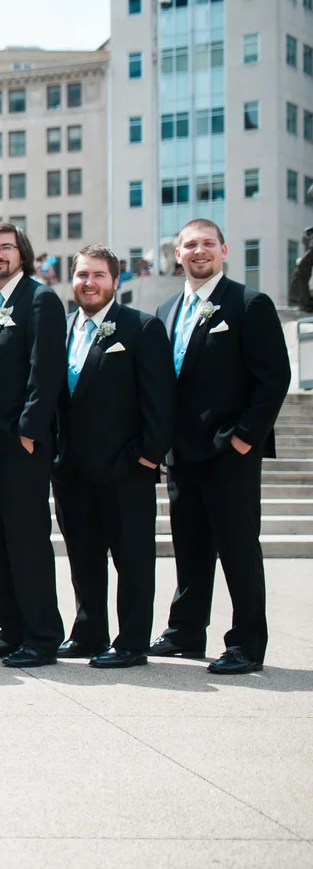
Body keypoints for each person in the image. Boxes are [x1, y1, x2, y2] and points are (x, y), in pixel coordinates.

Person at [150, 219, 291, 674]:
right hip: (181, 455)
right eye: (189, 245)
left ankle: (247, 643)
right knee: (189, 548)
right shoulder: (167, 310)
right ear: (177, 254)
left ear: (224, 250)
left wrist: (246, 439)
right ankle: (186, 631)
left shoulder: (249, 304)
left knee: (238, 550)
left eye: (208, 244)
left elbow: (274, 378)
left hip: (230, 454)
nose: (199, 251)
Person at [52, 245, 174, 669]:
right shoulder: (62, 329)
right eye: (82, 274)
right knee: (84, 558)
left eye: (98, 275)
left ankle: (131, 642)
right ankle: (88, 632)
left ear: (115, 281)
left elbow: (161, 401)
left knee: (133, 561)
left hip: (126, 471)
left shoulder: (141, 328)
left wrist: (146, 457)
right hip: (70, 471)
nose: (89, 283)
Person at [0, 222, 66, 667]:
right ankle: (11, 628)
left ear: (22, 253)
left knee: (26, 542)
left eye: (7, 248)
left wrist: (29, 430)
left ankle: (42, 636)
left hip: (20, 446)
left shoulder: (40, 299)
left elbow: (45, 372)